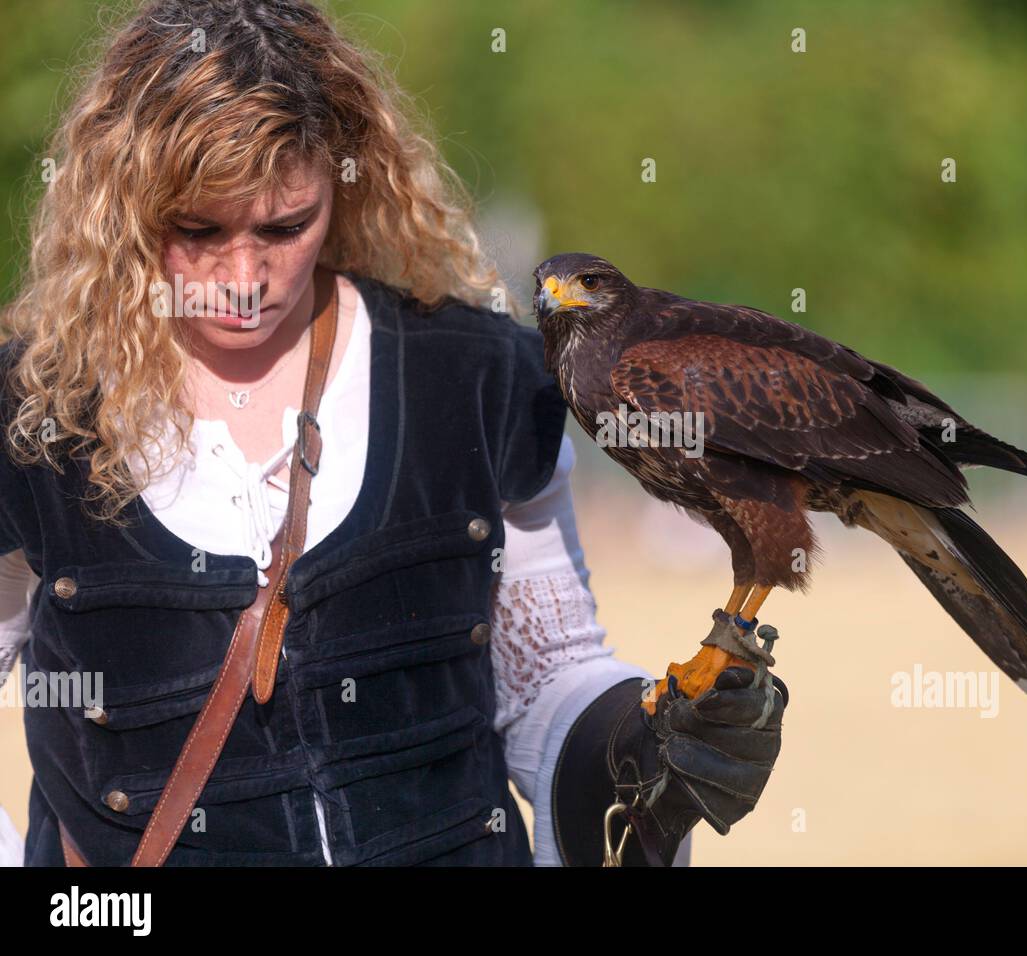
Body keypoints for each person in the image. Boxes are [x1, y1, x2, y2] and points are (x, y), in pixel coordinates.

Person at [0, 0, 785, 867]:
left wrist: (637, 742)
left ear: (347, 180)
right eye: (199, 229)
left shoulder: (478, 378)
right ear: (123, 204)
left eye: (284, 225)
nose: (244, 276)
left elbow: (545, 678)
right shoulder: (35, 409)